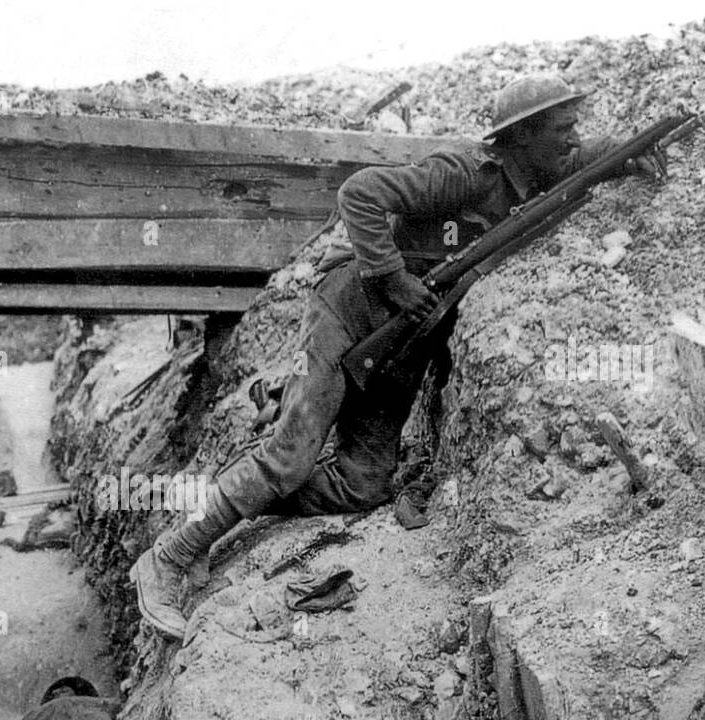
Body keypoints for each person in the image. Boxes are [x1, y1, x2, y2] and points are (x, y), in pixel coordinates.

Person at [130, 74, 668, 640]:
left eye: (573, 128)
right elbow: (360, 194)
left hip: (400, 347)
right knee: (290, 459)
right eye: (561, 128)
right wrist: (392, 278)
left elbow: (587, 157)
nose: (571, 138)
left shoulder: (537, 173)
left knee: (364, 486)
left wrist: (634, 153)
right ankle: (171, 555)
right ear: (524, 136)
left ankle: (242, 485)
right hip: (351, 313)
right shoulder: (464, 174)